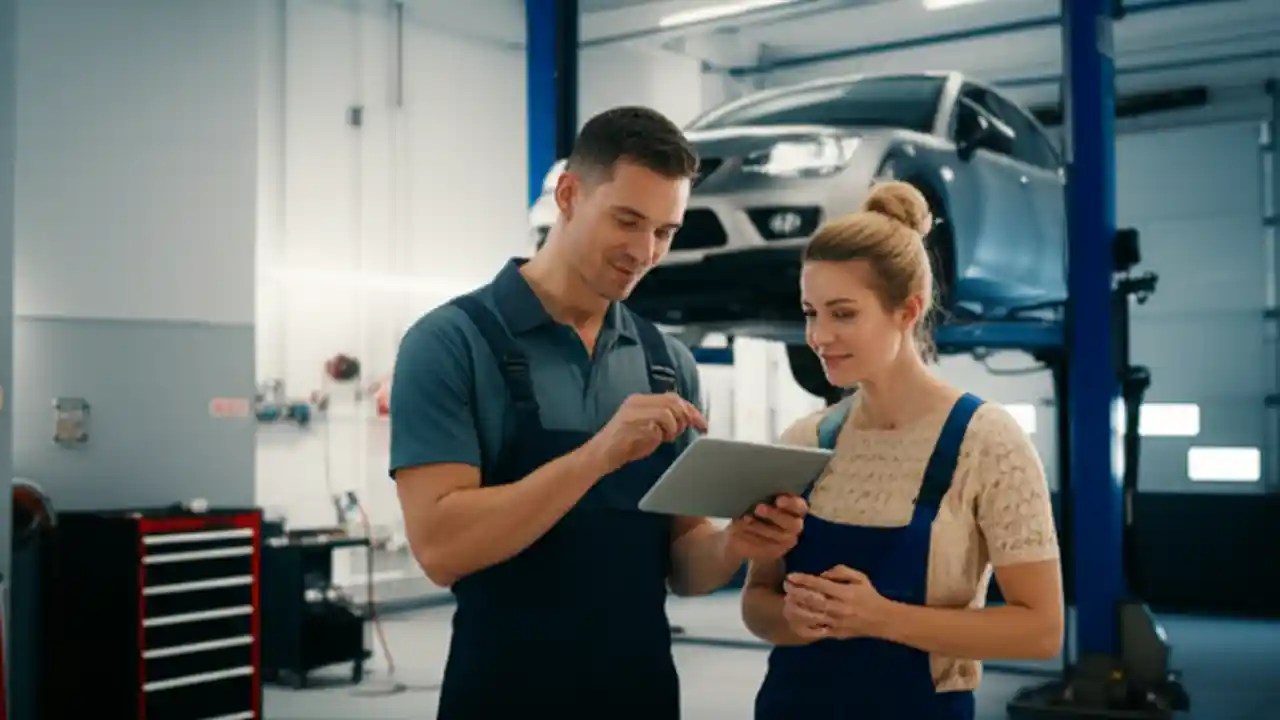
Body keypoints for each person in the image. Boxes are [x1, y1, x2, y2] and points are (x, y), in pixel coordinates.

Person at [390, 106, 808, 719]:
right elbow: (440, 550)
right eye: (627, 220)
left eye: (665, 231)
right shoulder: (450, 344)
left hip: (640, 694)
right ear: (568, 194)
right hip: (503, 697)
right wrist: (597, 456)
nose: (644, 251)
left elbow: (681, 565)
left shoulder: (668, 364)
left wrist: (734, 544)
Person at [743, 181, 1064, 719]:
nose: (819, 335)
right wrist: (793, 620)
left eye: (843, 314)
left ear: (908, 310)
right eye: (810, 312)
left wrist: (880, 618)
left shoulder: (987, 443)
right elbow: (758, 602)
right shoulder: (805, 441)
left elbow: (1041, 630)